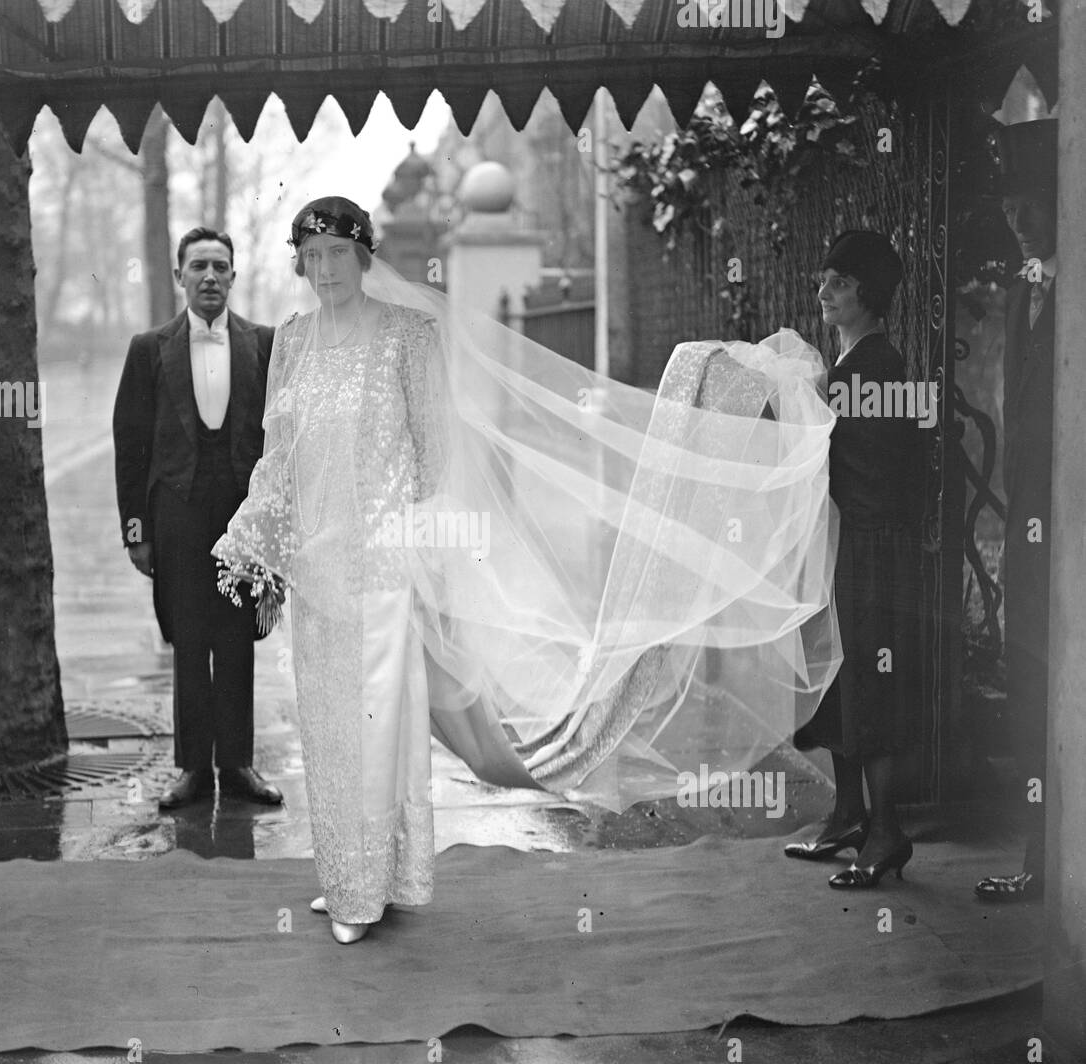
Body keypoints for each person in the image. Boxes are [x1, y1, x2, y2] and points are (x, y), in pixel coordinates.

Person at [215, 196, 842, 944]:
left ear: (365, 256)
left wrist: (420, 550)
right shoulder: (290, 343)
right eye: (311, 256)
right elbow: (277, 457)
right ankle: (348, 878)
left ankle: (366, 894)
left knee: (379, 731)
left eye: (337, 254)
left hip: (385, 573)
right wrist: (251, 543)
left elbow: (434, 454)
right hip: (318, 576)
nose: (325, 271)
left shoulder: (408, 336)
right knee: (329, 733)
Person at [113, 227, 283, 810]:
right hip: (177, 516)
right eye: (199, 266)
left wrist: (275, 529)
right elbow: (130, 443)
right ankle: (192, 770)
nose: (210, 276)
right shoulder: (148, 348)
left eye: (220, 266)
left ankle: (236, 764)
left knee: (237, 638)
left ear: (234, 276)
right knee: (188, 639)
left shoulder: (264, 344)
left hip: (243, 518)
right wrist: (136, 533)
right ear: (180, 275)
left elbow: (281, 439)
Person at [783, 230, 927, 888]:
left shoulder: (876, 369)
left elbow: (872, 476)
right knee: (840, 680)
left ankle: (886, 830)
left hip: (867, 551)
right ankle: (847, 815)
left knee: (871, 683)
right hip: (847, 545)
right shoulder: (847, 370)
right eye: (824, 279)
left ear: (869, 293)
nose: (823, 292)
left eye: (839, 283)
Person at [975, 119, 1058, 903]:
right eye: (1009, 208)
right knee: (1032, 680)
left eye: (1032, 203)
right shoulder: (1025, 292)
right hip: (1035, 528)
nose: (1020, 220)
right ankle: (1041, 855)